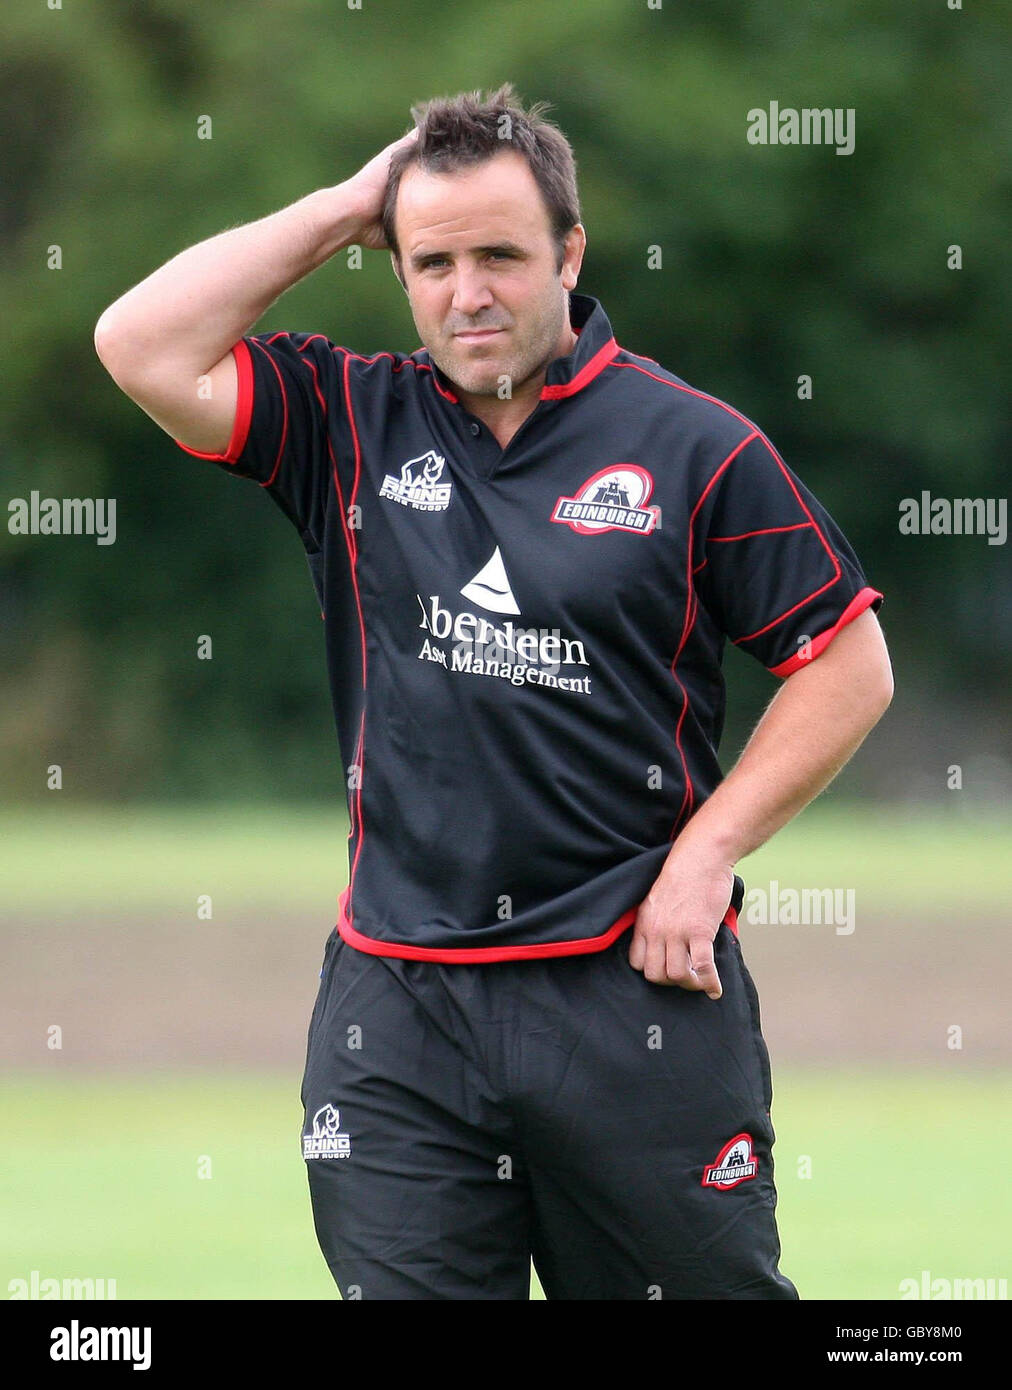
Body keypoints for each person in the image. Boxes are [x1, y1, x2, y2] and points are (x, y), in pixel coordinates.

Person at [94, 83, 893, 1300]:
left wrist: (707, 853)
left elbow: (844, 662)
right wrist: (339, 208)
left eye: (503, 256)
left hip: (633, 994)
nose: (468, 292)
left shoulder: (696, 446)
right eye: (432, 260)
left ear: (570, 253)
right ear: (395, 266)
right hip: (398, 1014)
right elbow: (138, 344)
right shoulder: (349, 420)